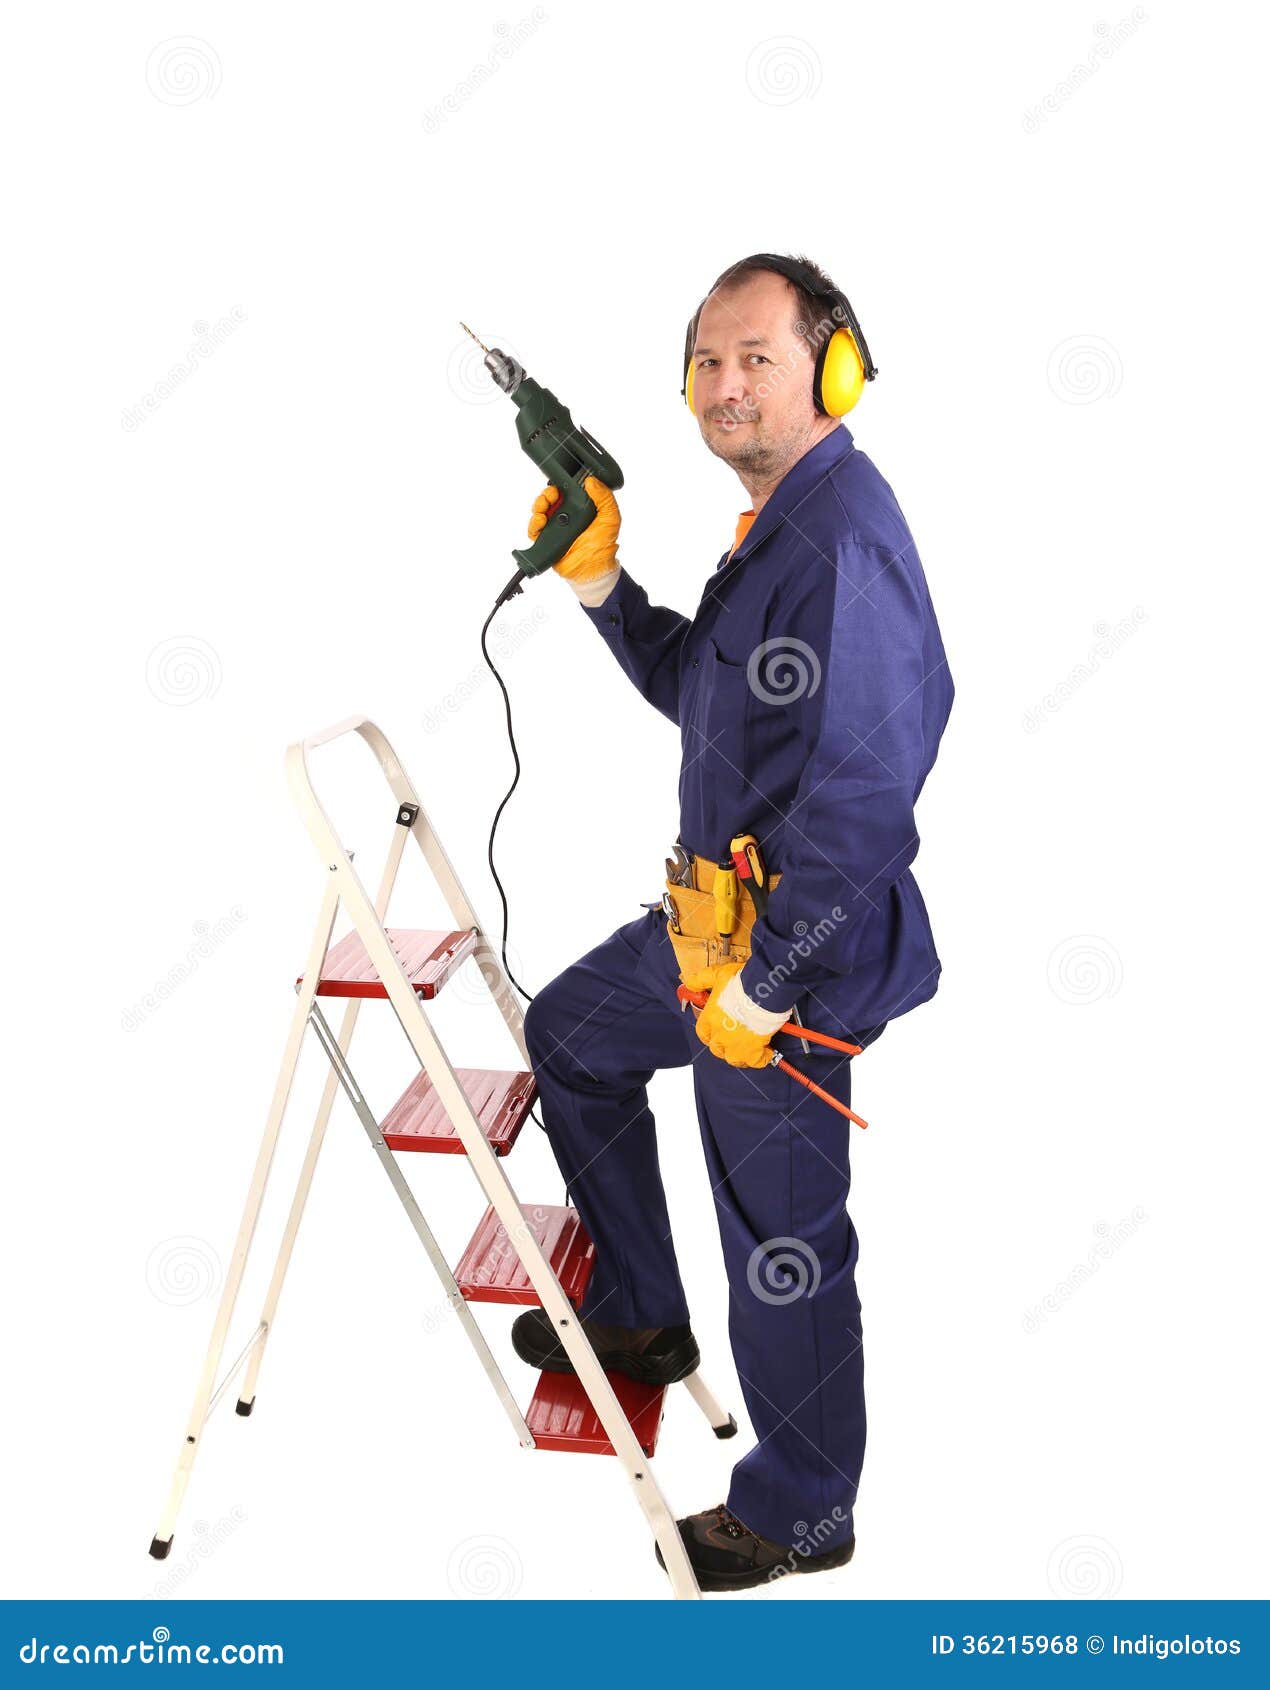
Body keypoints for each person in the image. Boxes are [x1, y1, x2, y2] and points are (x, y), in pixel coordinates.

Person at [511, 253, 954, 1591]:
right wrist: (601, 588)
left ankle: (804, 1510)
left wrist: (766, 989)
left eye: (757, 355)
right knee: (570, 1033)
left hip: (789, 959)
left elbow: (866, 796)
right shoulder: (773, 526)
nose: (724, 384)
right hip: (714, 929)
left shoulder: (843, 538)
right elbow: (706, 694)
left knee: (780, 1243)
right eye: (707, 360)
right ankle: (639, 1312)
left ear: (834, 368)